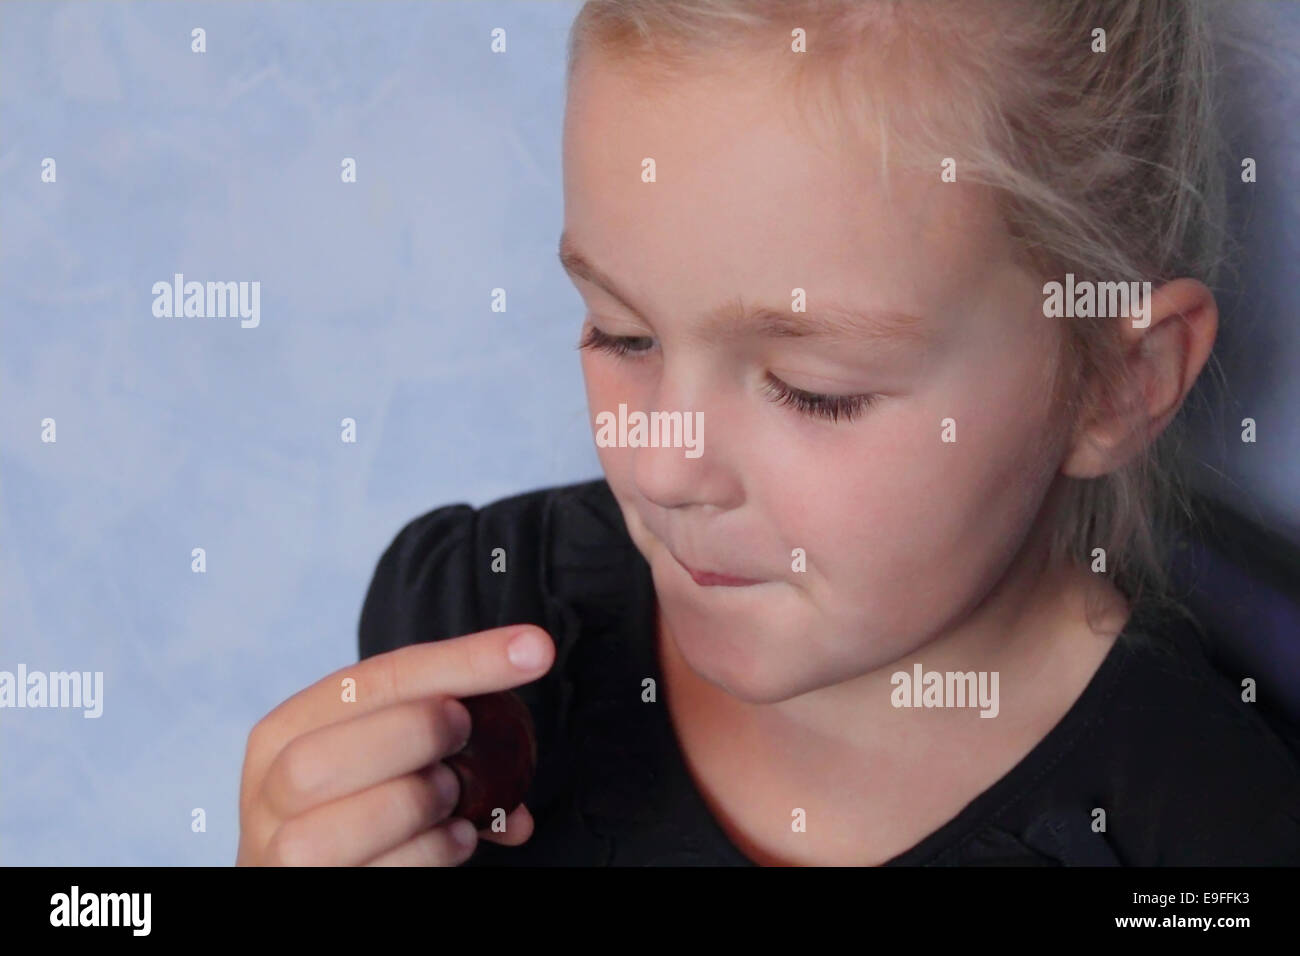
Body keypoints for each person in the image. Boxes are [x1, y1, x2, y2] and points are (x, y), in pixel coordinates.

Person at [236, 0, 1300, 866]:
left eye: (811, 388)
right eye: (622, 332)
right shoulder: (478, 642)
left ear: (1115, 382)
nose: (657, 466)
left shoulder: (1200, 834)